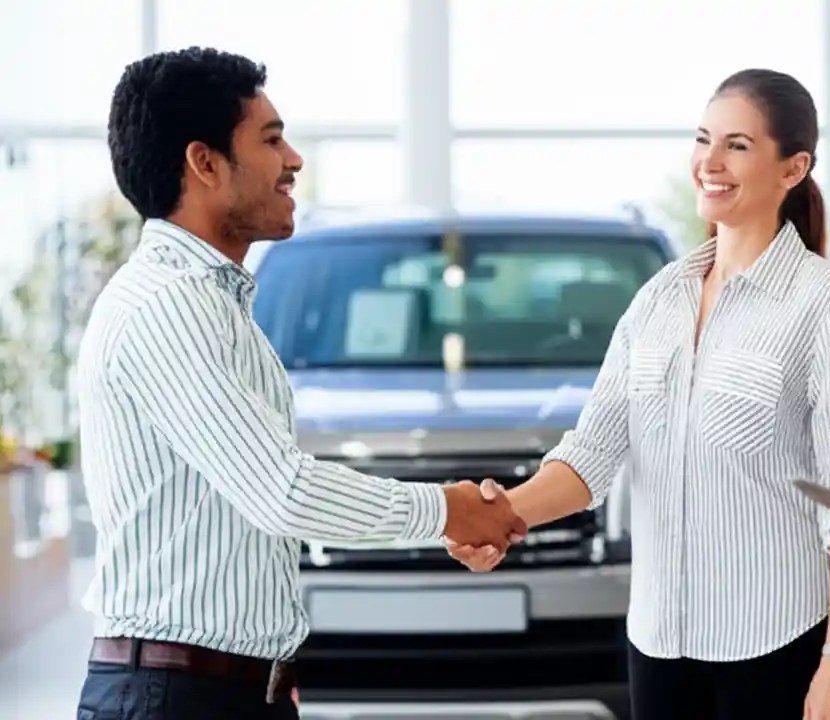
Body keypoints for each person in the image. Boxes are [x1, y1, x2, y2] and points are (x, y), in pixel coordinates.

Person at [74, 47, 527, 720]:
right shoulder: (168, 305)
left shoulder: (215, 304)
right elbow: (282, 492)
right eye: (270, 138)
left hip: (229, 690)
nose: (293, 160)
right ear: (204, 163)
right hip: (176, 698)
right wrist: (450, 511)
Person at [448, 68, 830, 720]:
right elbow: (591, 453)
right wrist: (503, 515)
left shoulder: (828, 303)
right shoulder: (658, 300)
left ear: (792, 169)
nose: (710, 161)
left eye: (737, 145)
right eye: (704, 138)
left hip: (774, 642)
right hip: (657, 643)